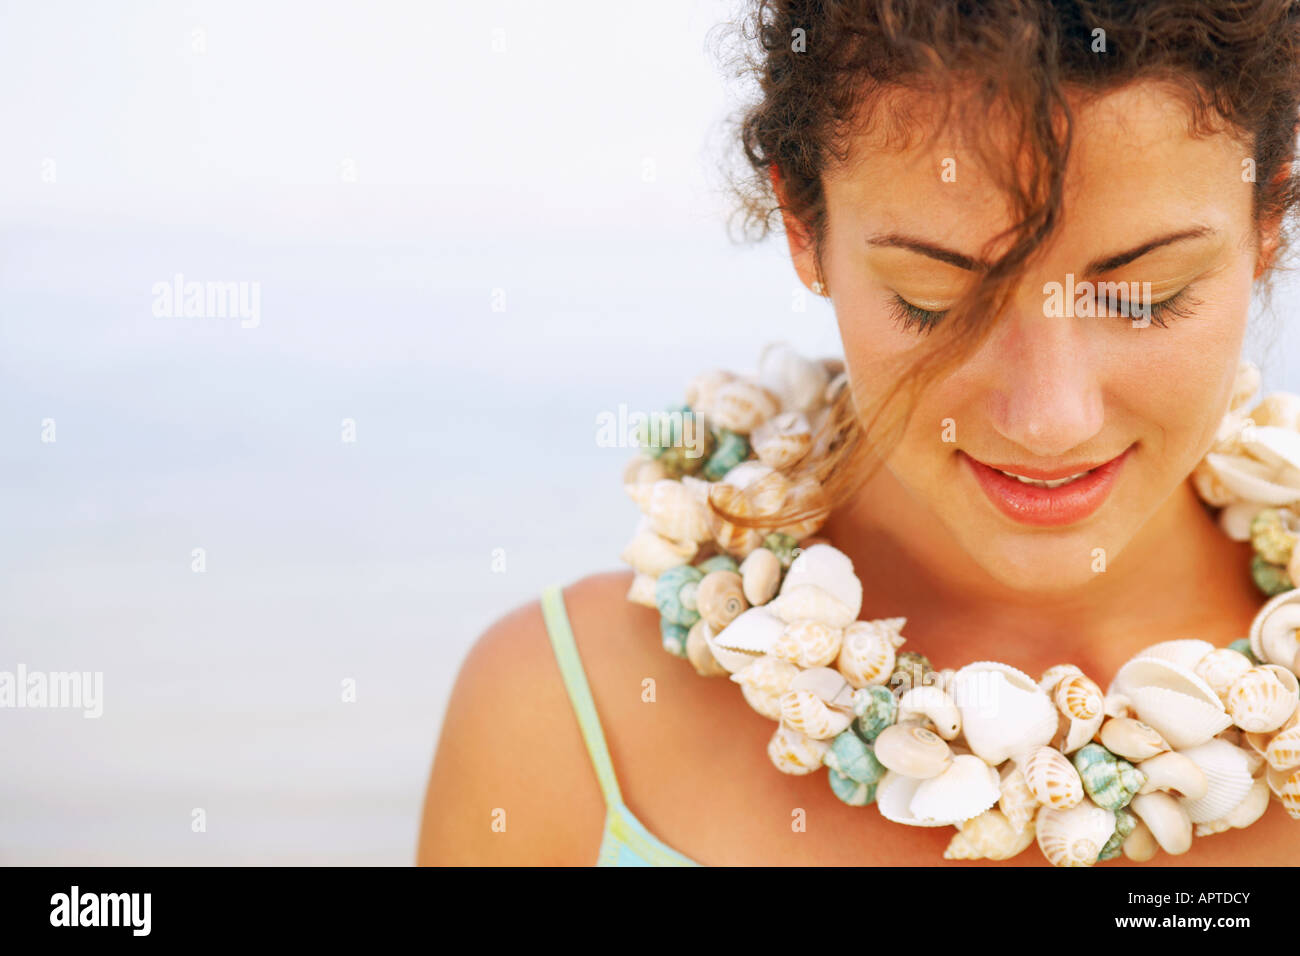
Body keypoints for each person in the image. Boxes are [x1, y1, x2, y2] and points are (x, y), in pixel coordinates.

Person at [418, 0, 1300, 865]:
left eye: (1144, 294)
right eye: (937, 301)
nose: (1049, 419)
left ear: (1269, 213)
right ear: (804, 228)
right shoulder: (562, 720)